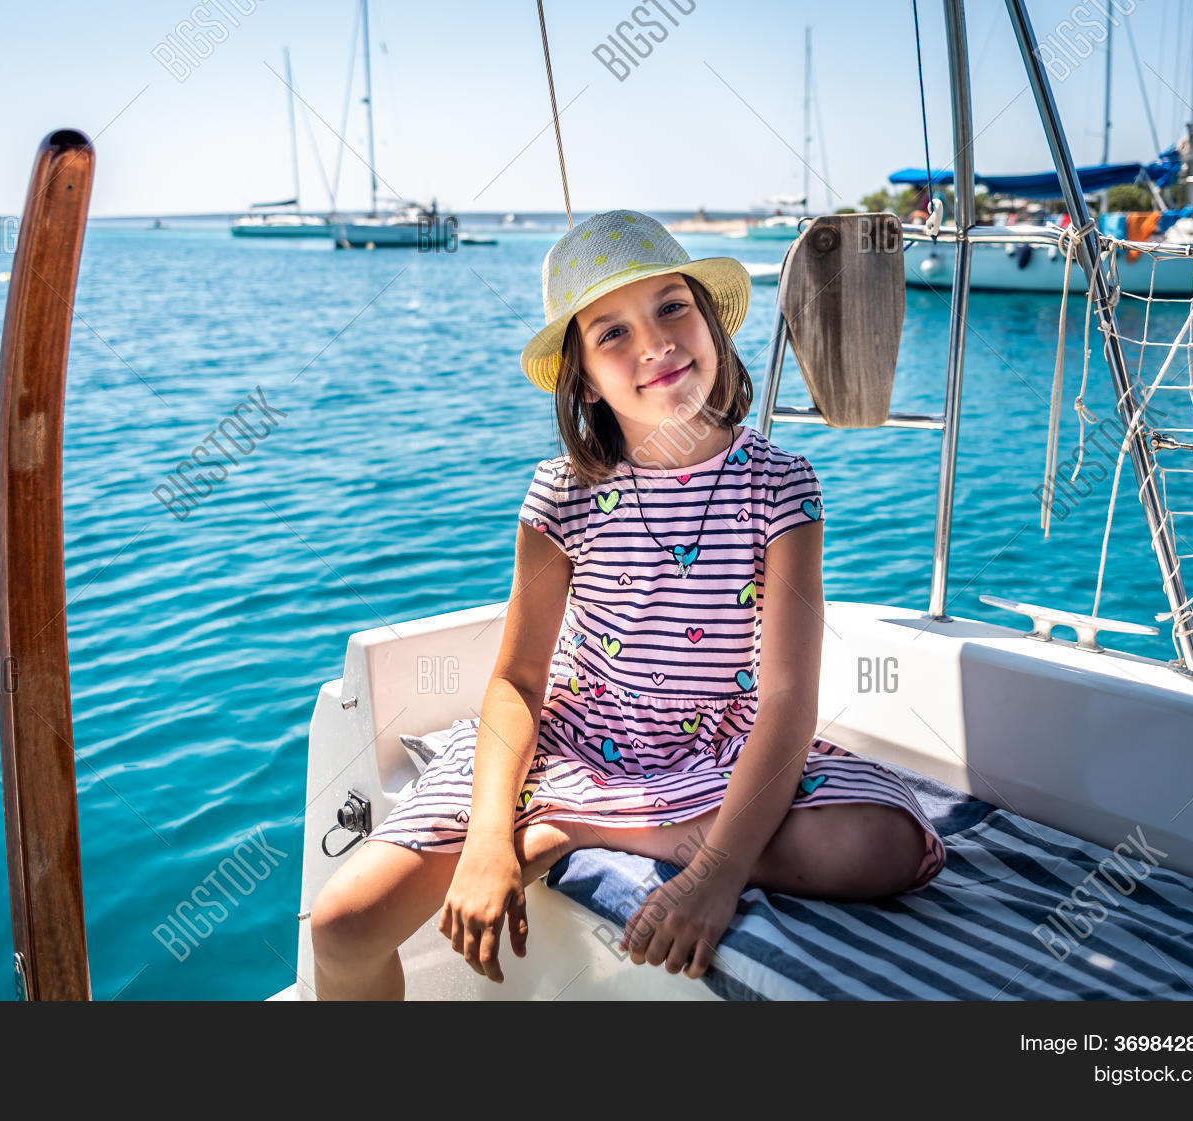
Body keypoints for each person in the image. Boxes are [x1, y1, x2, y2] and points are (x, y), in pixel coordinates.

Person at [308, 209, 946, 1000]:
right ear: (583, 376)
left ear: (711, 321)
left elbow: (786, 696)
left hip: (712, 744)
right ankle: (574, 819)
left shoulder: (781, 487)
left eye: (672, 307)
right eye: (611, 333)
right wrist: (484, 842)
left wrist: (716, 875)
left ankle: (579, 828)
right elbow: (517, 681)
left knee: (882, 845)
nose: (654, 343)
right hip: (570, 744)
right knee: (341, 921)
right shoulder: (561, 494)